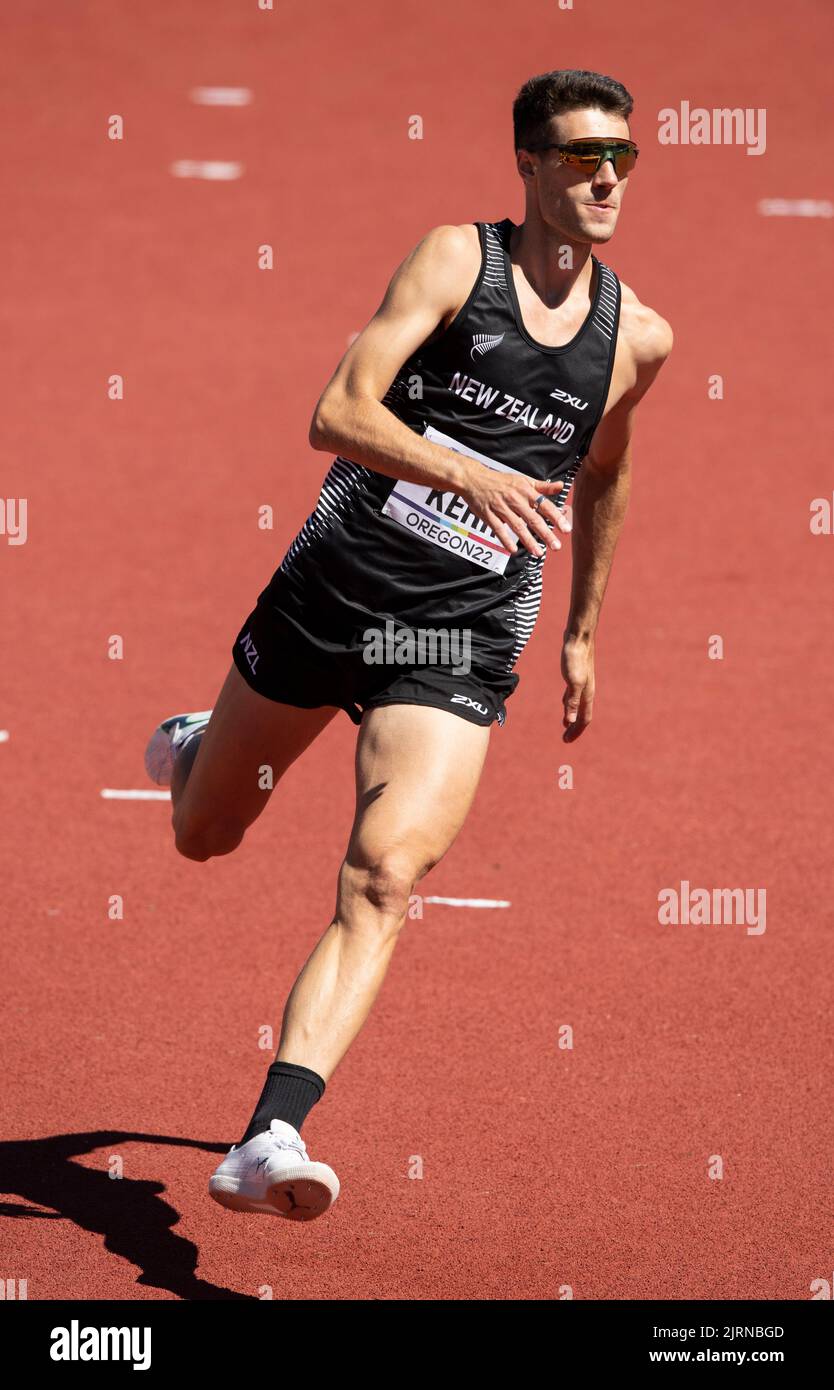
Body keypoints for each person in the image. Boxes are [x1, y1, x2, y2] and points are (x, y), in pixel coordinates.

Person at [145, 68, 673, 1221]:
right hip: (331, 597)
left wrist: (583, 626)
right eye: (581, 156)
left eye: (621, 157)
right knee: (205, 834)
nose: (603, 176)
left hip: (461, 634)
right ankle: (199, 746)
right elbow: (337, 410)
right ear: (529, 166)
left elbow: (611, 471)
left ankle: (271, 1131)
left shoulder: (638, 336)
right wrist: (473, 472)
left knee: (387, 874)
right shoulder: (455, 261)